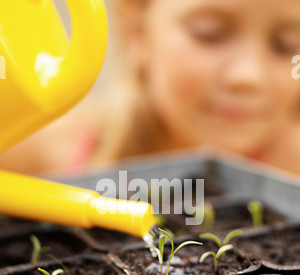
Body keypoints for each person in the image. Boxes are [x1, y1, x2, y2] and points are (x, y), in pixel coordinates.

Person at [0, 0, 300, 176]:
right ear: (137, 32)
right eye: (210, 34)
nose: (249, 76)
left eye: (286, 44)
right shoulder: (39, 151)